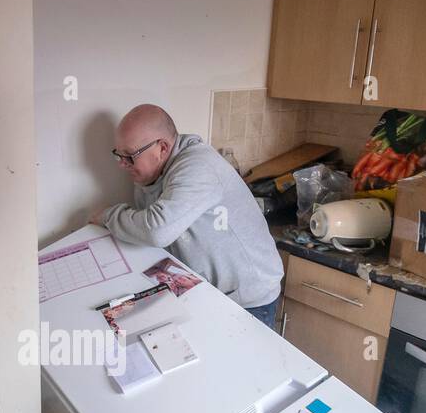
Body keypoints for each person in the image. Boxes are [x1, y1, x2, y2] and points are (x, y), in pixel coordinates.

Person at [90, 103, 283, 328]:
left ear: (162, 148)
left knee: (242, 363)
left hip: (249, 299)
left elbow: (156, 230)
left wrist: (108, 216)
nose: (123, 165)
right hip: (208, 293)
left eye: (130, 156)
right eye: (119, 155)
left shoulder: (198, 167)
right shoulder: (150, 174)